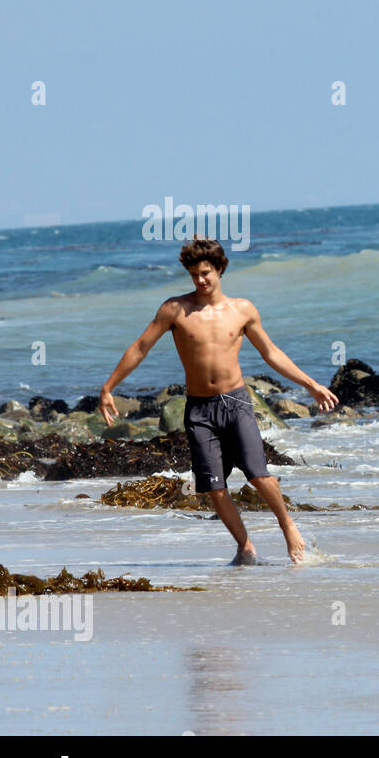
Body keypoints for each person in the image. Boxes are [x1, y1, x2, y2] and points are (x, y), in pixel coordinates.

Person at [98, 237, 338, 564]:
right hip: (199, 410)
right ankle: (245, 546)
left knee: (258, 474)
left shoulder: (242, 310)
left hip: (236, 403)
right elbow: (140, 348)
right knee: (214, 486)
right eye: (195, 274)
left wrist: (311, 384)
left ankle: (288, 526)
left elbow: (271, 353)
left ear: (220, 269)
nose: (201, 280)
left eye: (206, 273)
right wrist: (109, 387)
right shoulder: (174, 310)